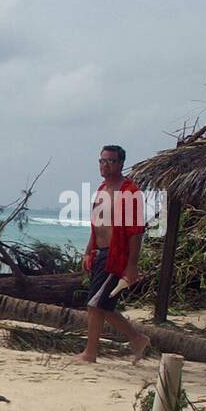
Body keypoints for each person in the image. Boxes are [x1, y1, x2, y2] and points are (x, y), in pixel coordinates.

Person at [75, 145, 152, 363]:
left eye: (110, 161)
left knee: (95, 304)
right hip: (99, 253)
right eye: (102, 160)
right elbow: (97, 225)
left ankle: (90, 353)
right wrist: (89, 250)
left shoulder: (129, 192)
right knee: (104, 305)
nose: (104, 165)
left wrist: (132, 265)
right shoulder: (101, 190)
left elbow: (136, 232)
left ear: (120, 164)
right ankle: (137, 339)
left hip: (115, 256)